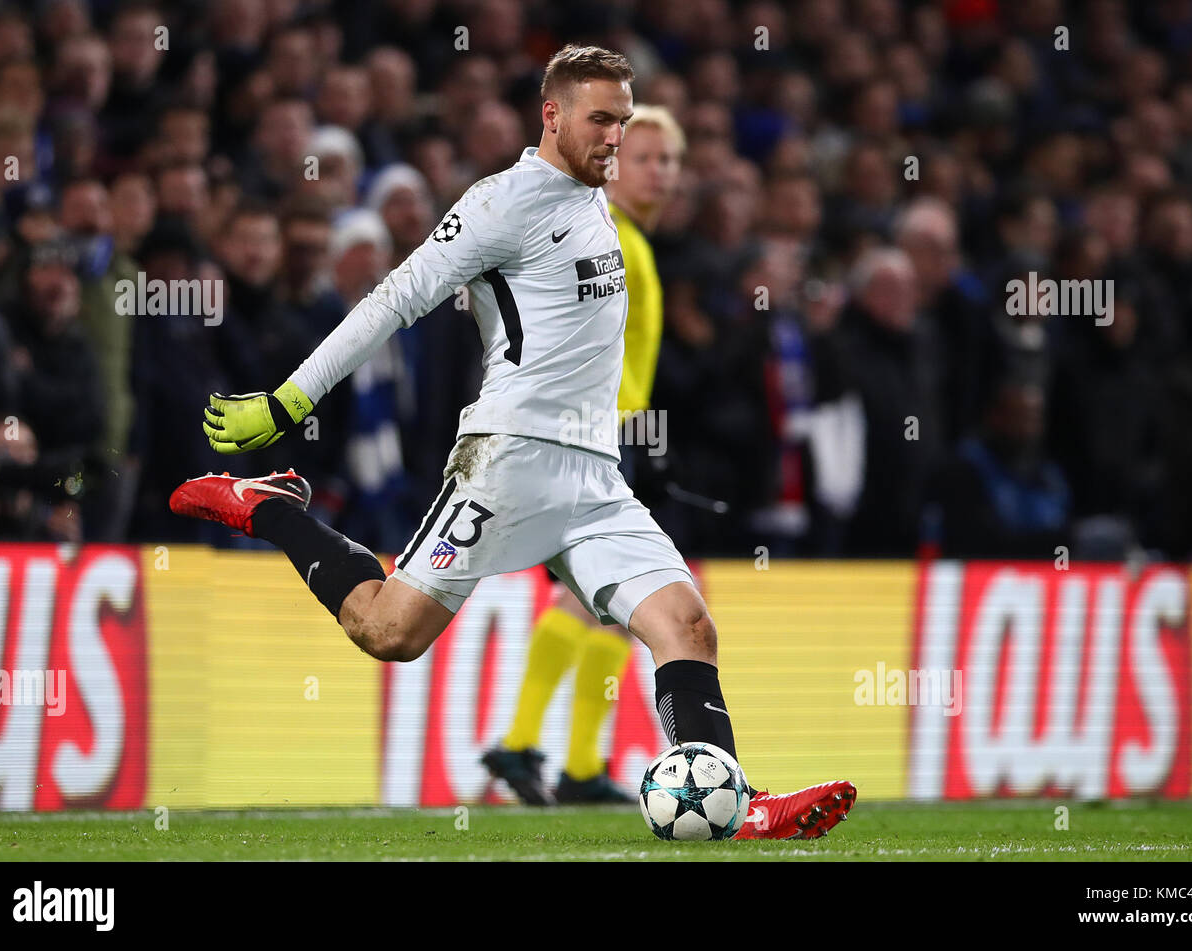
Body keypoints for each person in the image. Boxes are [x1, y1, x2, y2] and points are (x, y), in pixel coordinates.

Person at [170, 45, 855, 839]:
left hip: (596, 476)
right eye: (601, 119)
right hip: (508, 459)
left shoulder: (595, 198)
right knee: (388, 632)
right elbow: (395, 299)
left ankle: (735, 803)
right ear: (552, 115)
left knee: (688, 624)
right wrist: (291, 399)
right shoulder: (503, 202)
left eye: (625, 122)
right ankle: (272, 508)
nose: (616, 139)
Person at [480, 105, 685, 805]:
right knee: (603, 596)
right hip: (588, 438)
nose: (659, 171)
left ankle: (567, 761)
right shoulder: (605, 237)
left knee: (599, 602)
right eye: (646, 156)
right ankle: (531, 748)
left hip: (602, 436)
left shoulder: (624, 239)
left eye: (670, 160)